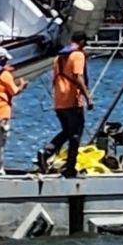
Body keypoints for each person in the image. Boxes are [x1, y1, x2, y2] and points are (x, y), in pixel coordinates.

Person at [42, 34, 92, 177]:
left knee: (67, 131)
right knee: (76, 134)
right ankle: (70, 168)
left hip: (59, 100)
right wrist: (88, 97)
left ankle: (47, 152)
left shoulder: (58, 58)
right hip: (72, 100)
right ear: (82, 42)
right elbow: (78, 76)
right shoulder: (77, 55)